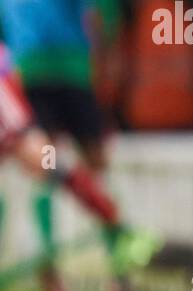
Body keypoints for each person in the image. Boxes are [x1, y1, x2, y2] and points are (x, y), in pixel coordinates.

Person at [0, 0, 129, 291]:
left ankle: (50, 269)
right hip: (72, 75)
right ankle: (119, 274)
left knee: (44, 170)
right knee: (96, 165)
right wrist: (107, 51)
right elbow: (101, 6)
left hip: (28, 77)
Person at [0, 39, 151, 278]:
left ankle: (116, 229)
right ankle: (115, 226)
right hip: (18, 110)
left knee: (50, 165)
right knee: (50, 165)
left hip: (19, 108)